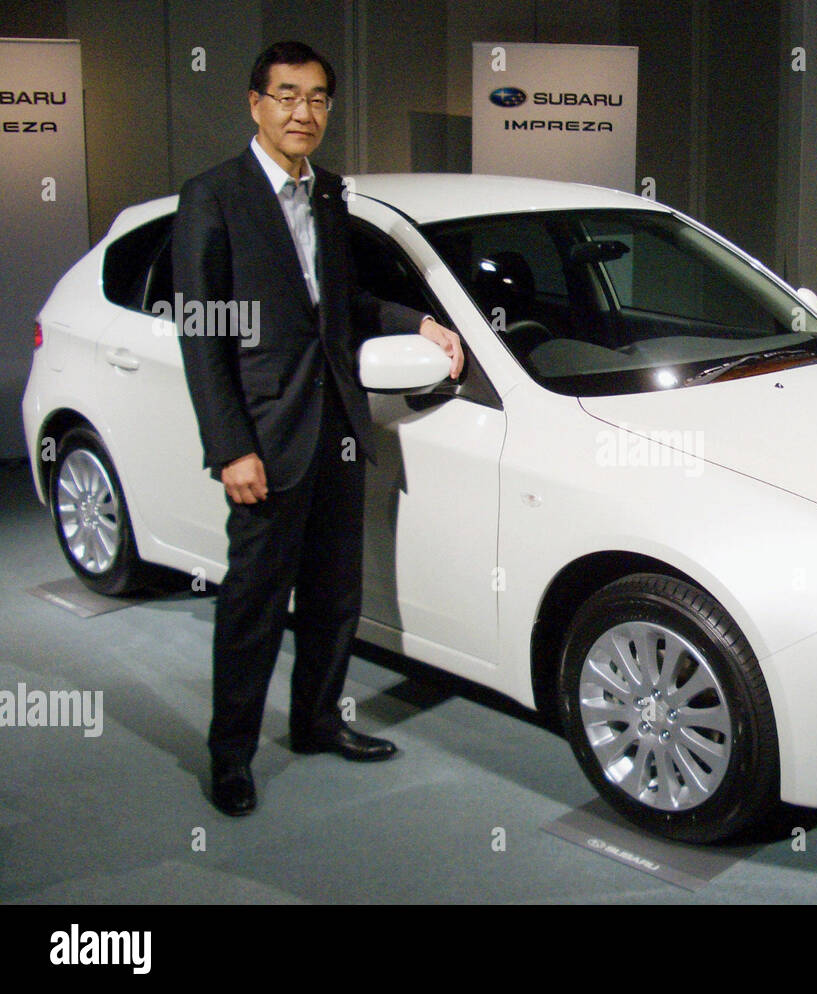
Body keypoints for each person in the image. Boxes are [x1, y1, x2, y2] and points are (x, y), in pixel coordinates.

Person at [173, 40, 463, 816]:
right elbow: (201, 334)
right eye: (288, 95)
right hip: (265, 436)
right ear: (255, 102)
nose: (304, 112)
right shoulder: (214, 196)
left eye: (319, 99)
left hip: (338, 425)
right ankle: (229, 756)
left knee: (335, 595)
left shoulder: (330, 194)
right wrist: (229, 445)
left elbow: (346, 304)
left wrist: (419, 322)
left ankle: (316, 723)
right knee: (254, 606)